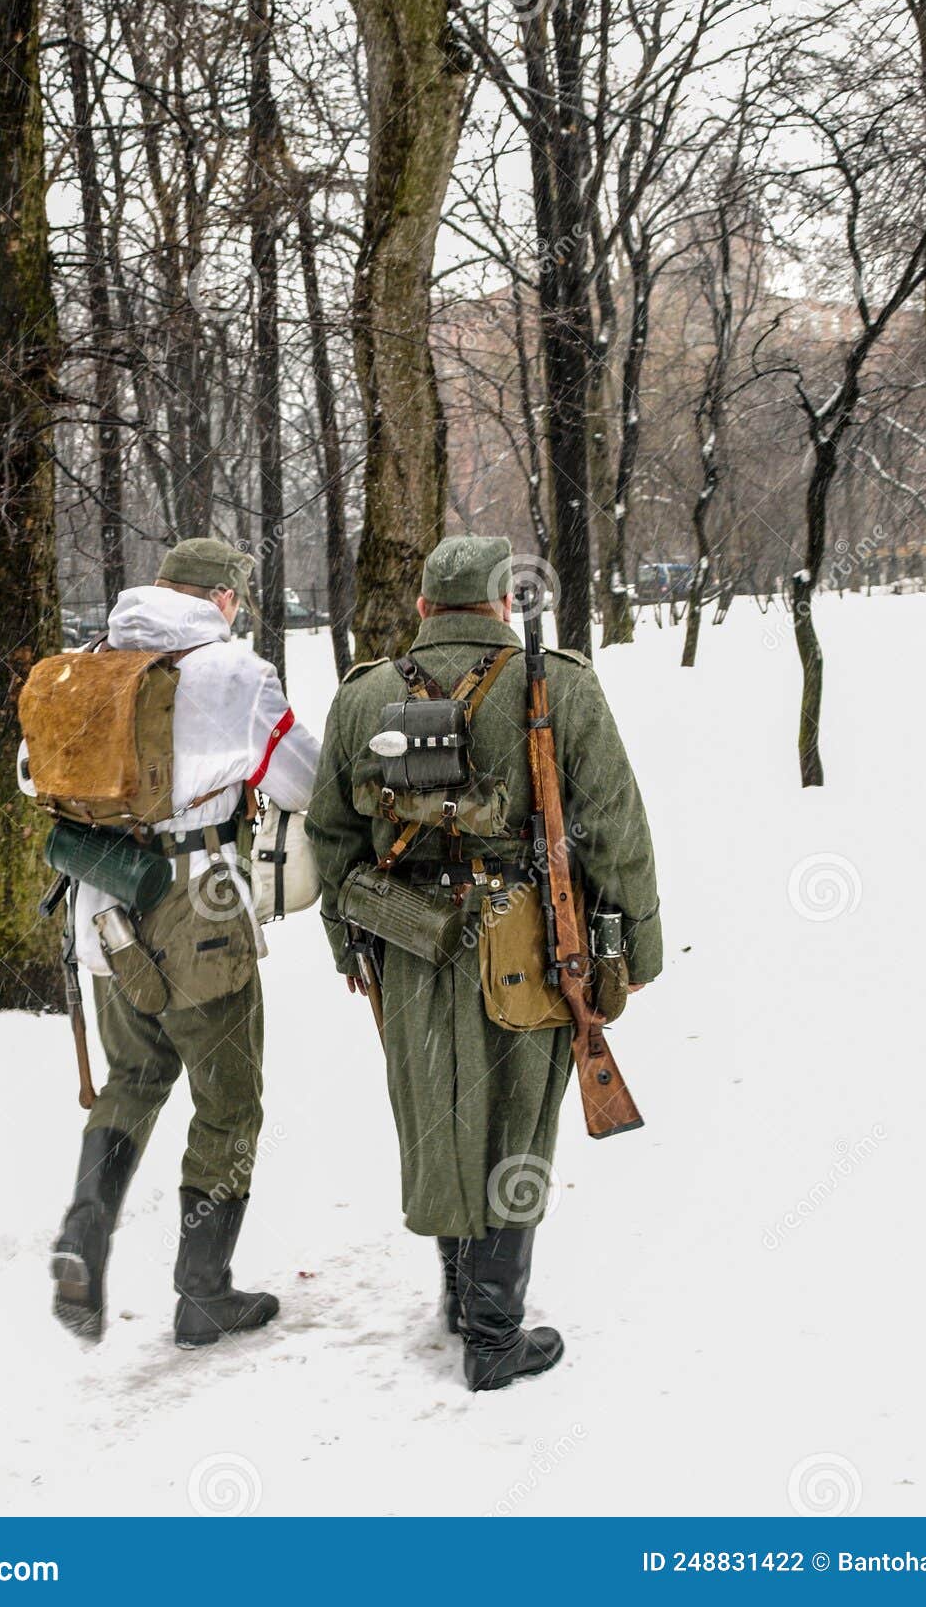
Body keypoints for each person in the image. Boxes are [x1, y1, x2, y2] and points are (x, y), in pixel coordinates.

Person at [305, 535, 661, 1392]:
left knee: (435, 1110)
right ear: (504, 605)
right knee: (517, 1124)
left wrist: (347, 944)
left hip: (407, 938)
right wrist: (636, 946)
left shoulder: (365, 697)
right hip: (526, 942)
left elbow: (330, 838)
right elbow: (614, 824)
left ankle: (465, 1301)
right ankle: (493, 1336)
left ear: (424, 607)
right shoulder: (564, 684)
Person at [20, 538, 320, 1346]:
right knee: (228, 1103)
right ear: (223, 598)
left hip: (105, 903)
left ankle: (83, 1234)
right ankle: (202, 1290)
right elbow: (302, 781)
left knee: (134, 1077)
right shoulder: (235, 674)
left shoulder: (85, 665)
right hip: (202, 906)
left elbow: (29, 774)